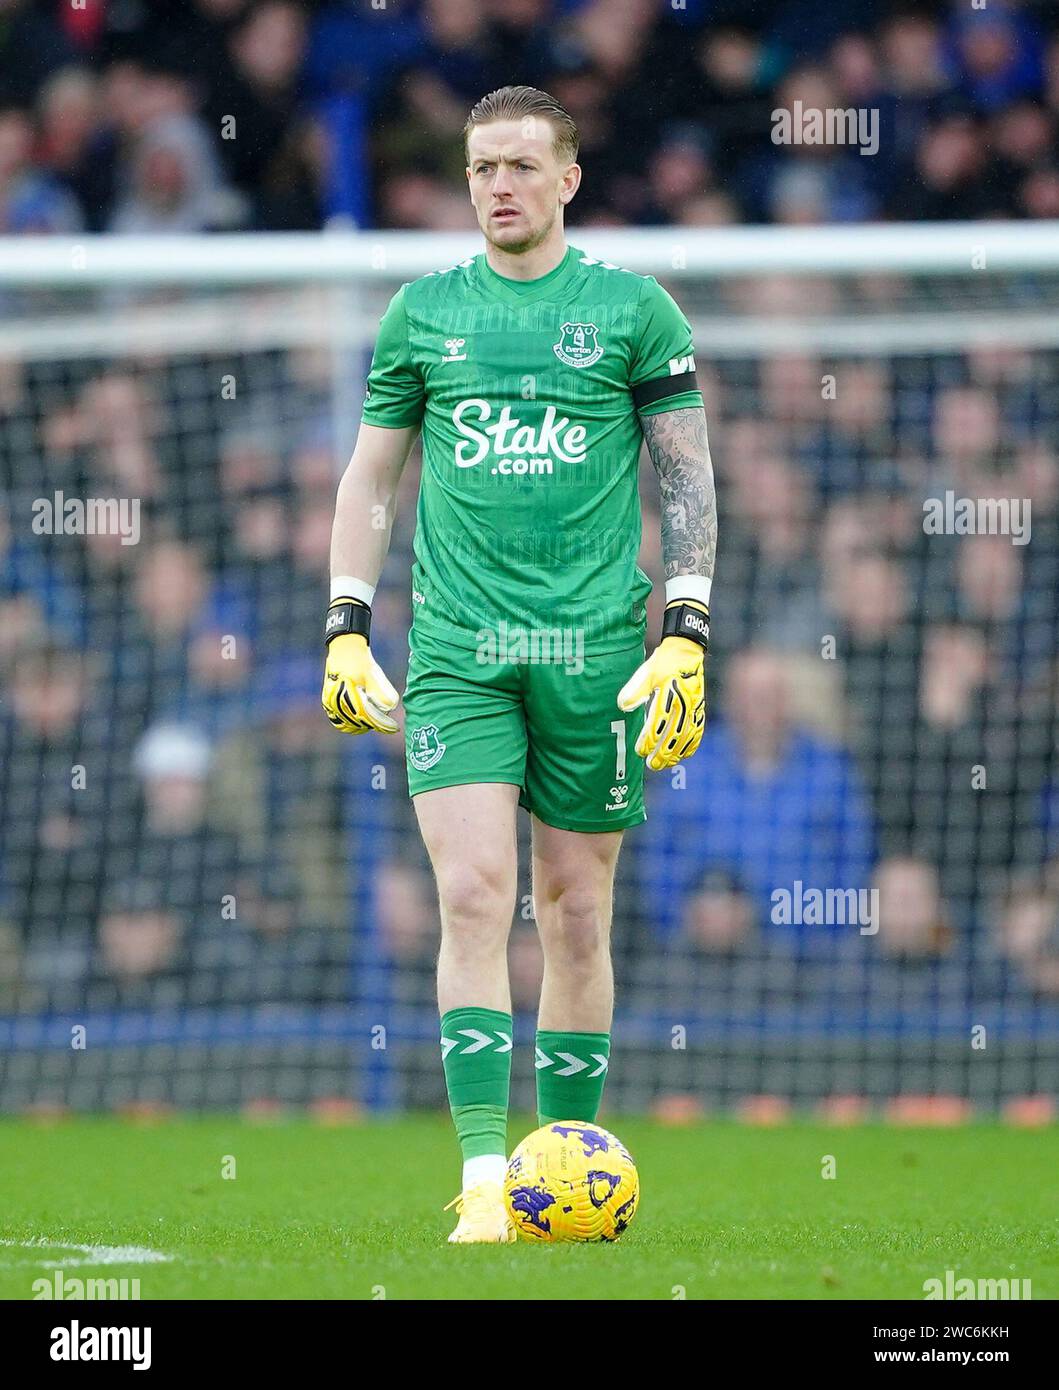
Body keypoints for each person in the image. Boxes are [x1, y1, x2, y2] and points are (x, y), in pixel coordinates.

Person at [321, 86, 716, 1242]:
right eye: (481, 165)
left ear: (567, 179)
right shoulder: (421, 316)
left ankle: (571, 1160)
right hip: (459, 653)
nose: (497, 184)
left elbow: (688, 475)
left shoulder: (633, 311)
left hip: (597, 655)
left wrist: (686, 629)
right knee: (477, 895)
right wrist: (346, 620)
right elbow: (371, 479)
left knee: (577, 910)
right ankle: (490, 1181)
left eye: (520, 166)